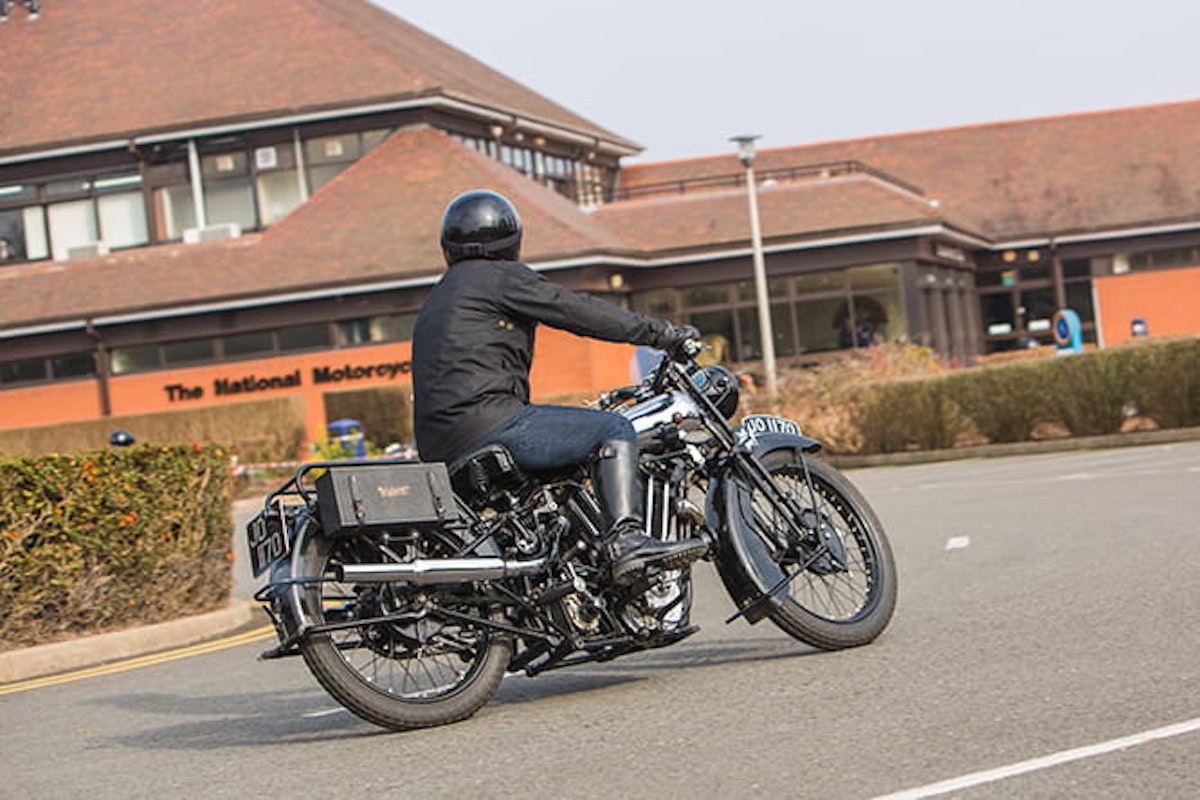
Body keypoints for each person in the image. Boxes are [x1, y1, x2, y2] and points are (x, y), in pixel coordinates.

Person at [413, 190, 708, 585]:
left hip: (441, 445)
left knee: (562, 471)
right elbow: (579, 312)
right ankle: (627, 541)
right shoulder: (499, 278)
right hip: (491, 423)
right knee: (610, 429)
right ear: (511, 239)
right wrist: (663, 335)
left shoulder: (442, 293)